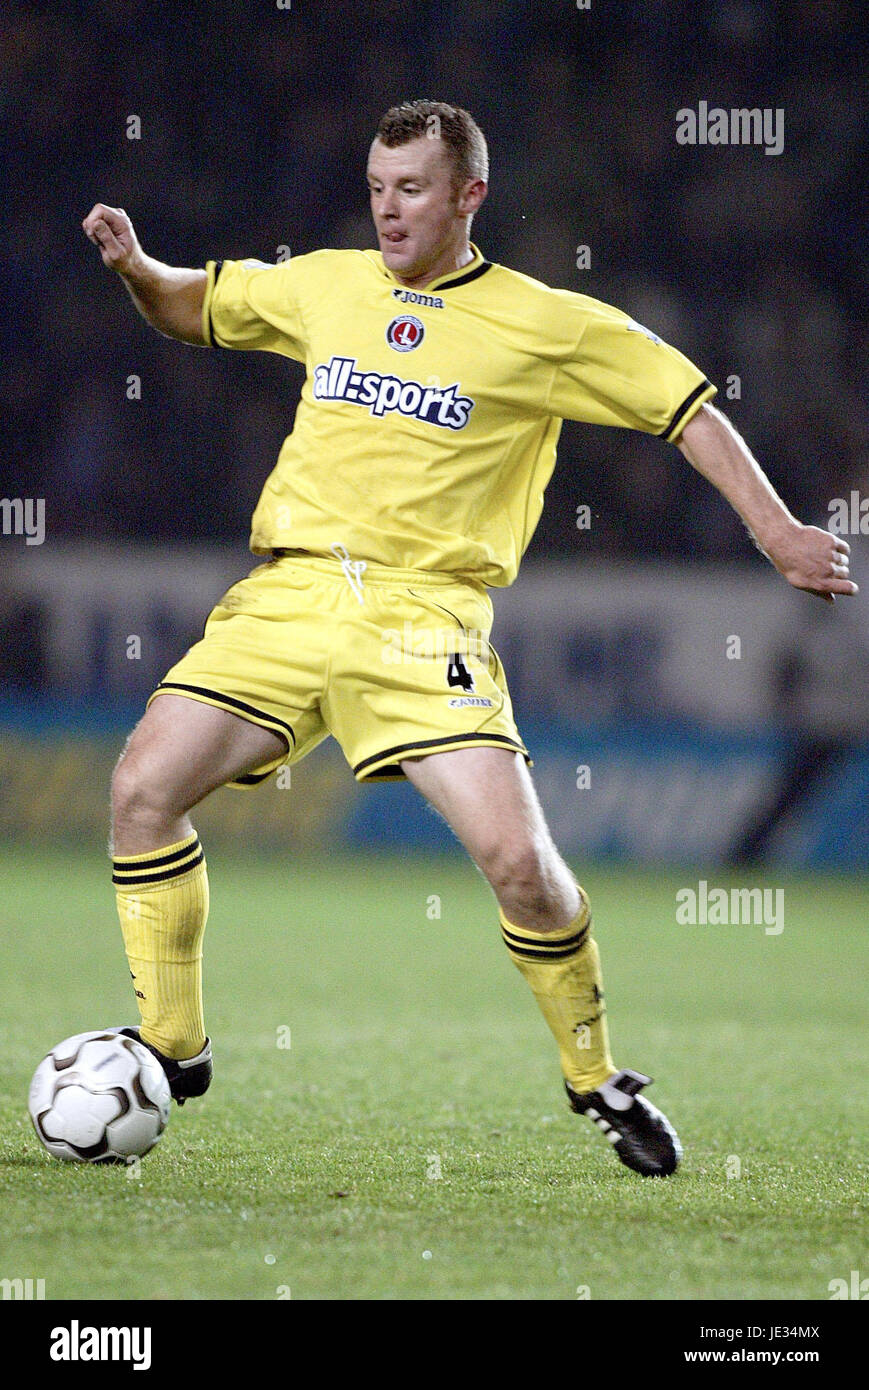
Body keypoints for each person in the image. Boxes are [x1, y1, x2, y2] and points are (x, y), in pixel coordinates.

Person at [82, 100, 855, 1178]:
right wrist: (134, 263)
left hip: (422, 618)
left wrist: (772, 530)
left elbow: (688, 408)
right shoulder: (323, 281)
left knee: (519, 866)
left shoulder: (546, 324)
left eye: (410, 190)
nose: (387, 210)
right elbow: (187, 306)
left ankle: (593, 1073)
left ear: (467, 196)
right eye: (376, 188)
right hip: (288, 598)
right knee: (139, 789)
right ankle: (173, 1043)